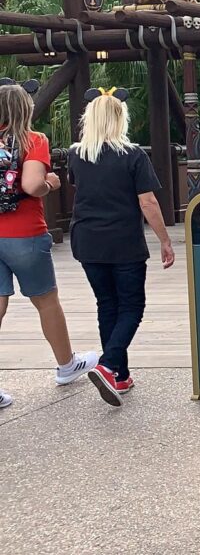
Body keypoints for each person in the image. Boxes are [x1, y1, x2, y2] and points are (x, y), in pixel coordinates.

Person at [68, 90, 174, 407]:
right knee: (131, 306)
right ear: (120, 120)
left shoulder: (76, 154)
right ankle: (108, 364)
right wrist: (164, 240)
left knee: (107, 304)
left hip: (87, 239)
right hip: (124, 241)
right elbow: (148, 202)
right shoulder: (133, 156)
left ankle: (120, 375)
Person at [0, 84, 98, 410]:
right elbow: (30, 185)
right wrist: (51, 183)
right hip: (24, 234)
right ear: (24, 109)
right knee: (46, 301)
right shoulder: (33, 140)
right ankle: (67, 365)